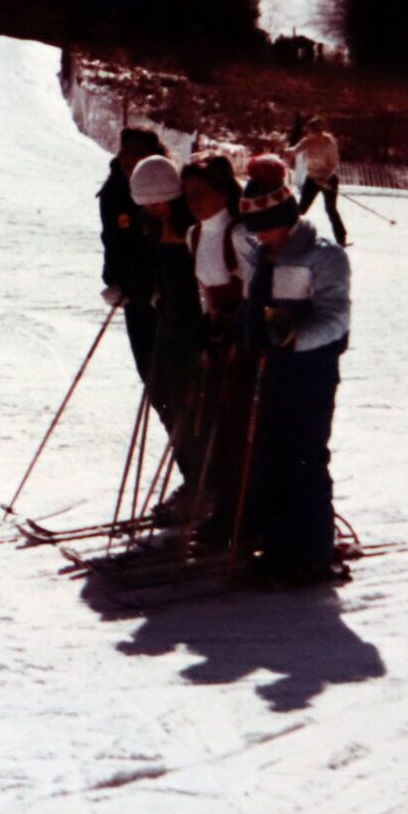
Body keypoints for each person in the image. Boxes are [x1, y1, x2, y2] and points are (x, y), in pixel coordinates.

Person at [235, 154, 351, 584]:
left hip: (310, 371)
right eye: (256, 229)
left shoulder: (323, 255)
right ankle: (279, 546)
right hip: (271, 369)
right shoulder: (261, 256)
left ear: (287, 217)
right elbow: (253, 307)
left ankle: (312, 553)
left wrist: (294, 337)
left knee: (304, 458)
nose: (261, 236)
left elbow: (336, 318)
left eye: (267, 227)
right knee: (270, 456)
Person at [178, 152, 257, 549]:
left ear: (224, 192)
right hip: (218, 339)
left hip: (244, 341)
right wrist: (208, 329)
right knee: (214, 429)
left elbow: (257, 291)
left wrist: (235, 329)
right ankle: (225, 513)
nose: (192, 201)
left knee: (240, 431)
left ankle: (247, 517)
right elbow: (205, 290)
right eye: (187, 194)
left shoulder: (238, 235)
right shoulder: (194, 235)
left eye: (201, 193)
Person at [128, 156, 204, 526]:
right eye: (146, 204)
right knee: (169, 401)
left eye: (157, 203)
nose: (152, 210)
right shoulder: (153, 225)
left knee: (192, 406)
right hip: (169, 323)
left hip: (192, 325)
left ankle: (207, 486)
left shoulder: (190, 225)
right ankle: (194, 481)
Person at [98, 127, 164, 385]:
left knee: (165, 363)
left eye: (139, 153)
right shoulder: (113, 191)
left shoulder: (165, 188)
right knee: (146, 364)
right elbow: (110, 240)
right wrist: (112, 280)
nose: (131, 159)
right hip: (131, 286)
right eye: (127, 152)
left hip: (163, 287)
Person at [287, 116, 348, 247]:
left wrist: (325, 179)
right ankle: (288, 235)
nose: (309, 134)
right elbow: (296, 149)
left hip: (328, 179)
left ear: (319, 132)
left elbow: (334, 164)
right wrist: (287, 151)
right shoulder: (307, 141)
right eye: (308, 131)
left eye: (312, 131)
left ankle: (341, 238)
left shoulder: (329, 143)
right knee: (301, 208)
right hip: (312, 178)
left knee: (330, 209)